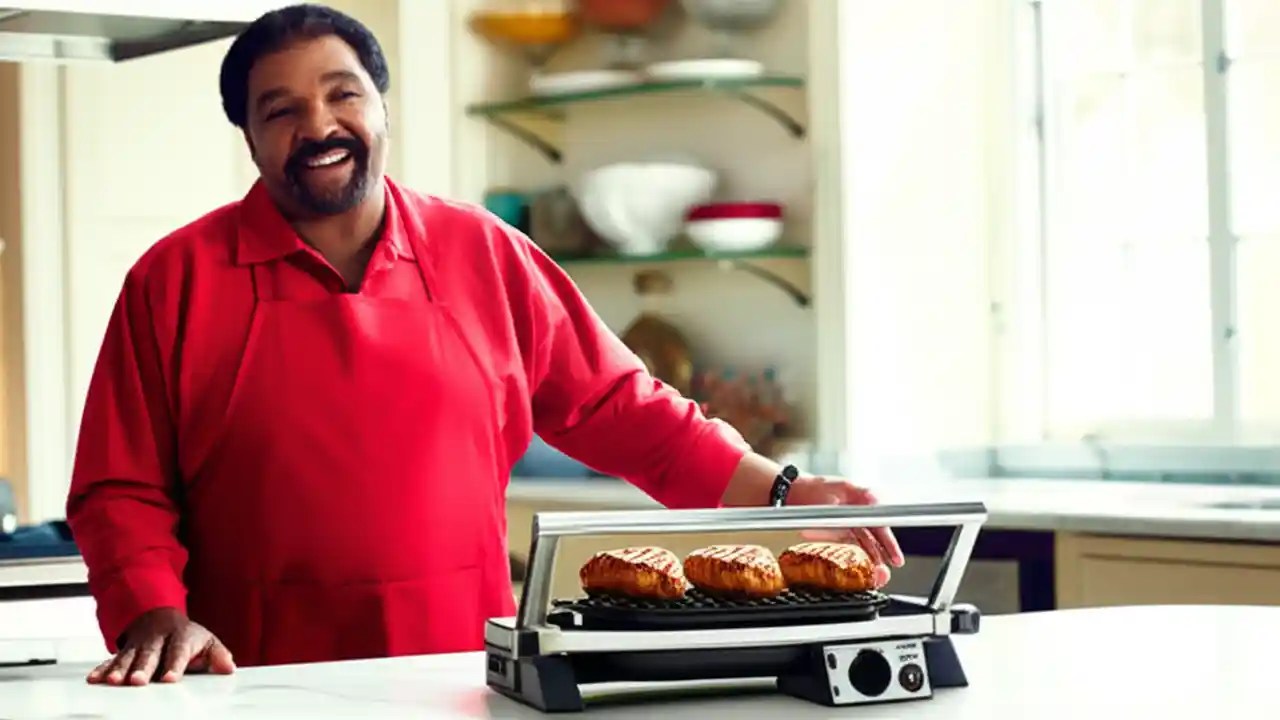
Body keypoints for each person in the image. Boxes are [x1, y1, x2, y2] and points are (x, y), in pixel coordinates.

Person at [64, 3, 904, 688]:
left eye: (342, 95)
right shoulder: (174, 279)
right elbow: (119, 486)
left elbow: (623, 408)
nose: (318, 125)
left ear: (382, 107)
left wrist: (783, 494)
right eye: (279, 110)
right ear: (248, 137)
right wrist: (152, 613)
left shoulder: (483, 252)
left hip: (461, 673)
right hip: (254, 679)